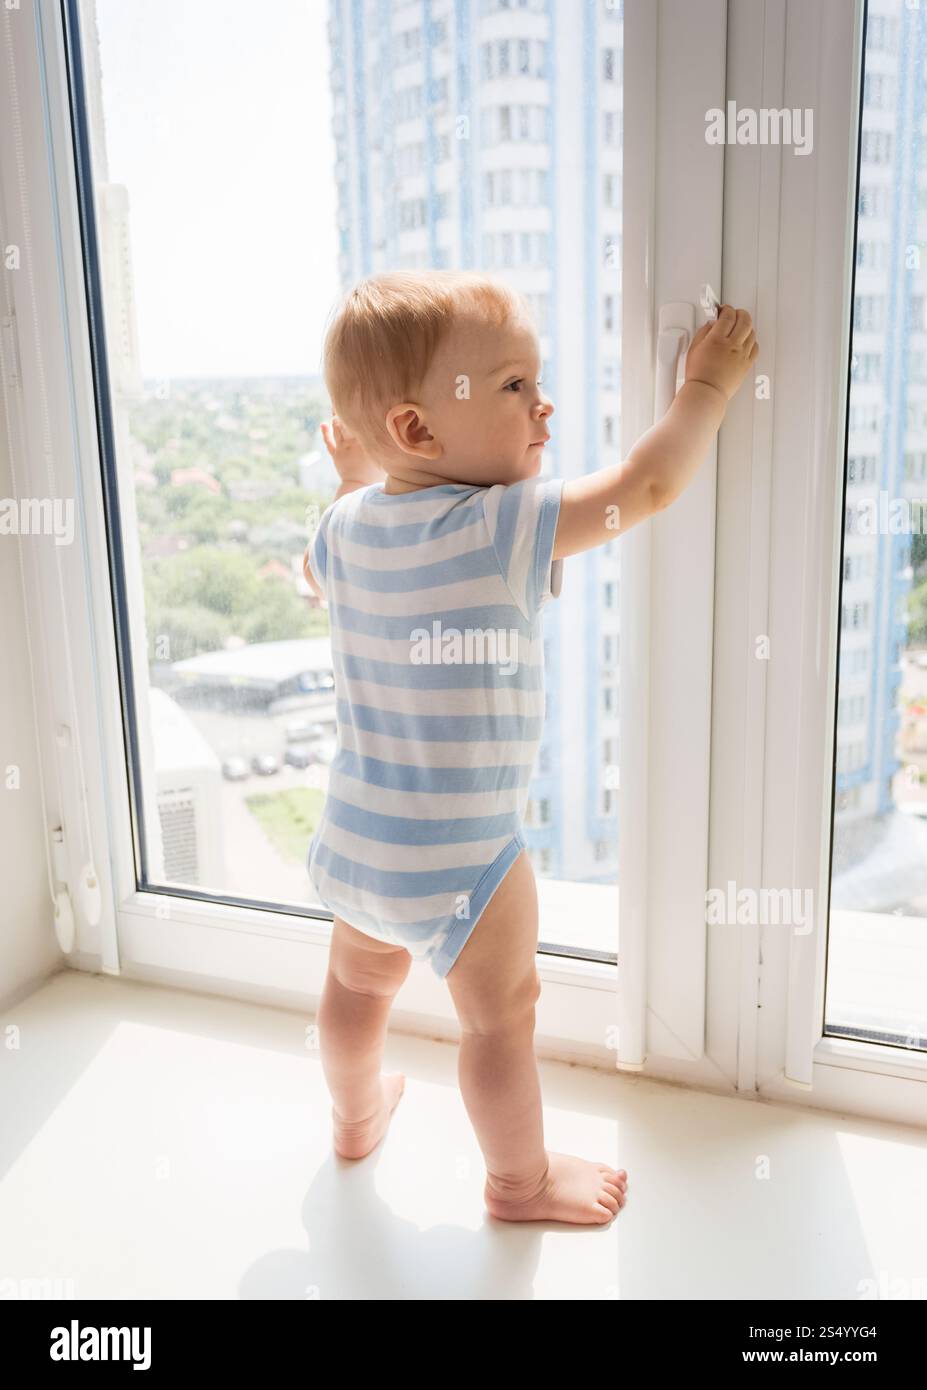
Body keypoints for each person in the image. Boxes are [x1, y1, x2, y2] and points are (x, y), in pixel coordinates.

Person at [302, 270, 758, 1224]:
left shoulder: (343, 530)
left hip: (355, 839)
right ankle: (520, 1183)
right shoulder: (499, 525)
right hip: (466, 857)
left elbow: (339, 550)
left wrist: (359, 476)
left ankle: (352, 1120)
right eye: (513, 387)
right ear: (419, 430)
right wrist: (705, 389)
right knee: (498, 1022)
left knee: (352, 984)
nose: (541, 405)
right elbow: (649, 485)